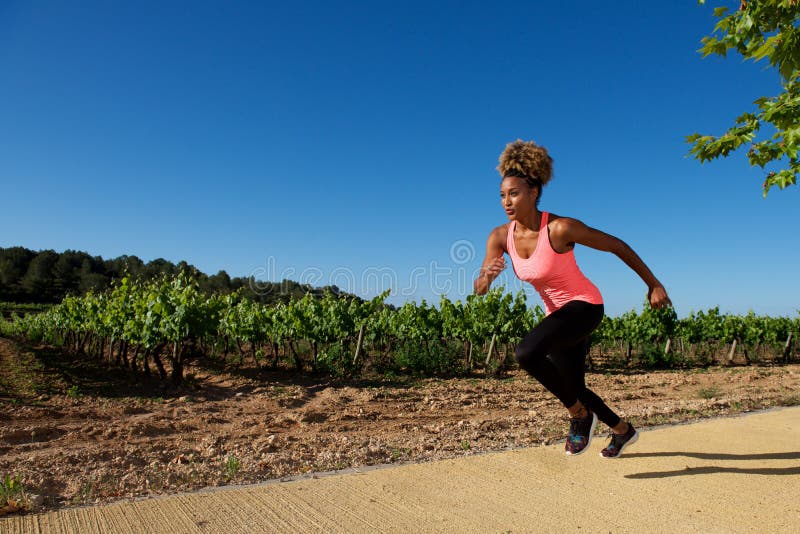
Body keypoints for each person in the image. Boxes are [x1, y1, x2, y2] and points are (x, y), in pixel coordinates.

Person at [474, 139, 671, 458]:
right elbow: (479, 287)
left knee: (526, 353)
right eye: (502, 195)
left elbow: (617, 245)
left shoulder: (561, 228)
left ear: (533, 192)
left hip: (585, 306)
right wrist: (487, 276)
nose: (506, 201)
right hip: (558, 315)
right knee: (573, 387)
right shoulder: (500, 237)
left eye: (514, 193)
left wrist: (653, 284)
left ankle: (579, 416)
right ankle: (623, 430)